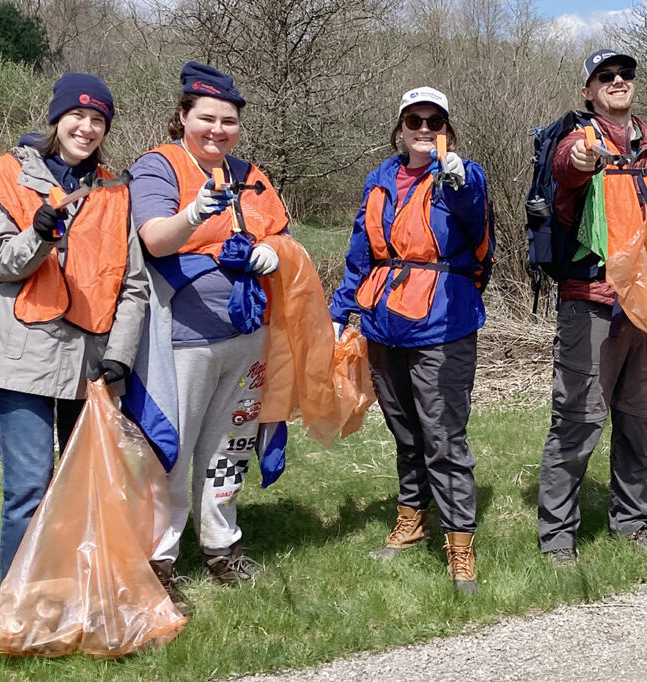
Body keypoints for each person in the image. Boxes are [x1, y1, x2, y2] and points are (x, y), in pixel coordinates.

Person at [0, 73, 148, 581]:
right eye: (78, 116)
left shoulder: (115, 190)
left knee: (82, 485)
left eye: (98, 120)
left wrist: (120, 356)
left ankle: (74, 591)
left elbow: (132, 285)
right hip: (19, 357)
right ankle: (20, 602)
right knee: (28, 486)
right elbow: (2, 265)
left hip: (89, 363)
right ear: (56, 119)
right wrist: (40, 232)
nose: (87, 128)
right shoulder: (6, 176)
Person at [125, 62, 291, 608]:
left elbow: (284, 237)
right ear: (183, 117)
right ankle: (160, 557)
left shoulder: (252, 173)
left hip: (247, 335)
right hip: (184, 337)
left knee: (229, 447)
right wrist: (193, 215)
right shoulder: (159, 167)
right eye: (206, 119)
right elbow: (153, 239)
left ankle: (221, 545)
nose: (218, 130)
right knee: (171, 451)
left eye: (228, 121)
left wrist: (276, 251)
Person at [329, 87, 493, 593]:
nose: (424, 129)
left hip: (443, 323)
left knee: (443, 435)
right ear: (399, 128)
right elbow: (362, 248)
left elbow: (474, 213)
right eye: (414, 121)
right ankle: (412, 521)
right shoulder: (379, 179)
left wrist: (458, 180)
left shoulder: (463, 176)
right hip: (384, 323)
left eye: (434, 121)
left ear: (447, 129)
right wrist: (341, 310)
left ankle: (459, 542)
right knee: (405, 432)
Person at [536, 50, 647, 566]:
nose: (618, 82)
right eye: (605, 77)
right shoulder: (578, 142)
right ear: (588, 91)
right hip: (592, 304)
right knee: (579, 419)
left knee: (637, 416)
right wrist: (582, 160)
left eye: (625, 75)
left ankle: (631, 523)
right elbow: (568, 169)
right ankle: (558, 537)